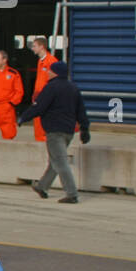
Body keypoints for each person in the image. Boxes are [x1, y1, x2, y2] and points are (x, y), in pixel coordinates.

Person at [16, 61, 90, 203]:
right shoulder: (73, 88)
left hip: (54, 131)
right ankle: (42, 186)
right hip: (68, 131)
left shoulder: (51, 88)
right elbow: (81, 111)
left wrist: (24, 117)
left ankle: (72, 194)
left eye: (50, 71)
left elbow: (39, 107)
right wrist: (85, 128)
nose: (48, 73)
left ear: (56, 73)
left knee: (60, 162)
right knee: (56, 160)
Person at [29, 37, 59, 142]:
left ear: (42, 47)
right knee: (38, 123)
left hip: (46, 97)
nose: (32, 48)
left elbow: (55, 81)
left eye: (34, 46)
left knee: (45, 122)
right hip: (39, 97)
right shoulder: (40, 61)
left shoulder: (51, 61)